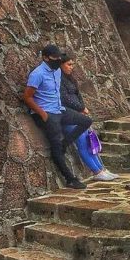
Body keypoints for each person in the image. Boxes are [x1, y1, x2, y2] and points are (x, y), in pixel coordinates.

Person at [23, 44, 92, 189]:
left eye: (60, 58)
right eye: (55, 58)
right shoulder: (38, 74)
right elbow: (27, 97)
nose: (58, 60)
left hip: (59, 109)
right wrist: (43, 114)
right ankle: (70, 179)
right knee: (55, 144)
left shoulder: (57, 71)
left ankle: (64, 145)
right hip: (46, 113)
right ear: (45, 58)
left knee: (86, 121)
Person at [59, 53, 119, 182]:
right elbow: (64, 98)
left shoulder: (70, 79)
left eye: (72, 64)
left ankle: (101, 168)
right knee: (82, 142)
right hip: (69, 117)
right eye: (69, 64)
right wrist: (80, 108)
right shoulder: (58, 79)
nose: (71, 67)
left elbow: (77, 95)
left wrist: (82, 107)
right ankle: (96, 171)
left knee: (89, 142)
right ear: (60, 64)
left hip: (79, 116)